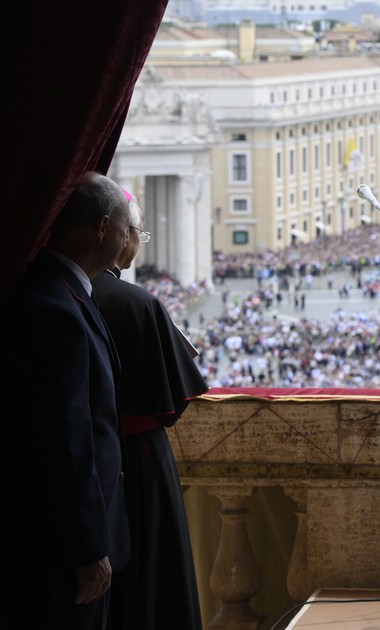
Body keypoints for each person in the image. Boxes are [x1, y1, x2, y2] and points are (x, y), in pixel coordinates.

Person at [0, 172, 132, 629]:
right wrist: (89, 547)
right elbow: (66, 442)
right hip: (63, 551)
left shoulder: (66, 292)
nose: (127, 237)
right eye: (124, 226)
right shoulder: (54, 308)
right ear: (101, 227)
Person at [92, 193, 208, 630]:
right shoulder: (138, 304)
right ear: (118, 236)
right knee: (150, 584)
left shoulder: (51, 292)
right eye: (137, 234)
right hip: (139, 465)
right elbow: (174, 401)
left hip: (84, 464)